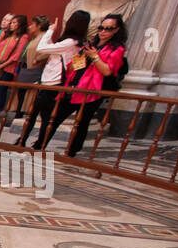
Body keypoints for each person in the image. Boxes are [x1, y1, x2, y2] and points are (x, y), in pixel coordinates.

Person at [37, 13, 126, 156]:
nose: (103, 31)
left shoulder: (117, 49)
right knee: (54, 118)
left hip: (93, 92)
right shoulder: (91, 44)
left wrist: (95, 57)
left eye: (108, 29)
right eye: (101, 28)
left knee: (81, 123)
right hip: (75, 87)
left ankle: (71, 152)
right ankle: (39, 146)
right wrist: (80, 58)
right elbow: (75, 67)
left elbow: (107, 71)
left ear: (116, 30)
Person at [18, 10, 86, 149]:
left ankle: (38, 144)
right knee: (38, 115)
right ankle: (27, 141)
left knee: (44, 117)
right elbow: (54, 51)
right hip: (49, 81)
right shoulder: (76, 44)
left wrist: (50, 31)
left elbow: (41, 48)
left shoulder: (70, 43)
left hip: (53, 83)